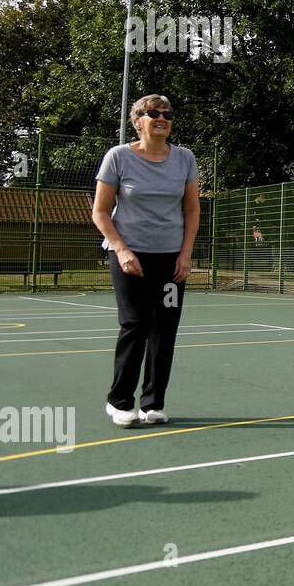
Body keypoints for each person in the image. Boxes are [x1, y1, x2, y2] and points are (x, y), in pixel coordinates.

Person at [91, 94, 200, 427]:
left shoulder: (185, 158)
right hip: (129, 256)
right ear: (138, 121)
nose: (161, 118)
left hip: (170, 259)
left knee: (164, 329)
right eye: (153, 113)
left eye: (167, 113)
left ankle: (152, 403)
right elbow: (100, 212)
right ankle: (119, 402)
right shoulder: (118, 157)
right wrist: (122, 250)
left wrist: (185, 254)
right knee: (135, 324)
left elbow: (192, 210)